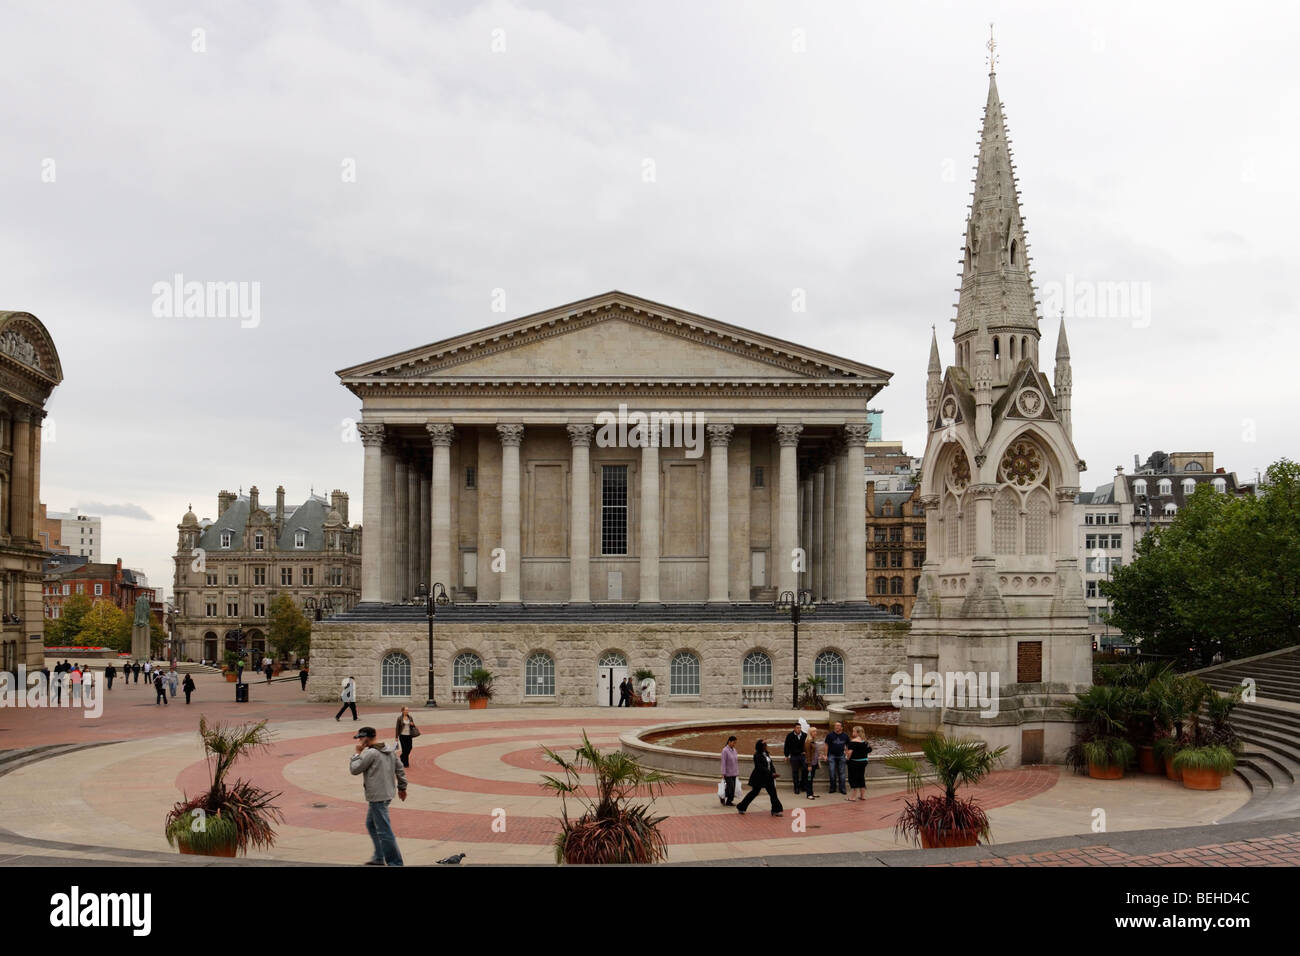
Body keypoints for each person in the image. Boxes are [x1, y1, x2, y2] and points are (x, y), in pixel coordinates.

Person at [349, 726, 407, 866]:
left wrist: (357, 754)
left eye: (361, 738)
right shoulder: (389, 749)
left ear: (367, 738)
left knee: (384, 831)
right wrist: (402, 787)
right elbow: (399, 769)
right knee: (371, 824)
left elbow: (355, 769)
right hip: (386, 793)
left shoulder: (371, 753)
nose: (360, 741)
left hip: (377, 796)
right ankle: (379, 857)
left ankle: (395, 863)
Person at [736, 739, 783, 816]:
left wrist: (773, 772)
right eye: (764, 745)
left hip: (768, 777)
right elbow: (760, 767)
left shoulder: (766, 754)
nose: (766, 746)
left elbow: (770, 764)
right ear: (761, 746)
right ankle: (741, 807)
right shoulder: (757, 755)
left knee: (773, 793)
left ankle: (776, 810)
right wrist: (771, 774)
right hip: (759, 777)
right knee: (754, 793)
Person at [845, 725, 872, 801]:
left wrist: (847, 758)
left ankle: (853, 797)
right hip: (863, 762)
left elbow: (849, 753)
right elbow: (869, 750)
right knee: (861, 778)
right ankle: (862, 796)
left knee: (853, 778)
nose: (852, 732)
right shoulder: (865, 742)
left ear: (857, 733)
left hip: (854, 762)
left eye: (853, 731)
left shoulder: (853, 742)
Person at [783, 721, 808, 795]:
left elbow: (808, 745)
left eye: (800, 728)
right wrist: (786, 755)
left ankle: (803, 785)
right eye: (797, 728)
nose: (799, 729)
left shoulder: (804, 735)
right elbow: (786, 746)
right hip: (794, 756)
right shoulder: (790, 736)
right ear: (794, 728)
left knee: (805, 769)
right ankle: (796, 787)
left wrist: (806, 752)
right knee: (795, 772)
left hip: (802, 755)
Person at [825, 721, 849, 795]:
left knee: (842, 773)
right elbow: (826, 745)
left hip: (841, 755)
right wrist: (825, 755)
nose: (836, 727)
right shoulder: (830, 735)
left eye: (838, 726)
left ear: (842, 727)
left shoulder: (845, 735)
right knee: (832, 772)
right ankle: (832, 788)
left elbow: (848, 745)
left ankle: (842, 789)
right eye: (835, 726)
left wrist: (847, 754)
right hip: (831, 755)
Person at [803, 727, 824, 799]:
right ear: (810, 733)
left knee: (811, 779)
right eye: (814, 732)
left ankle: (811, 793)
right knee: (809, 779)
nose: (816, 733)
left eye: (816, 731)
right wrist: (809, 765)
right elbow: (808, 754)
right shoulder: (808, 742)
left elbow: (814, 752)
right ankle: (809, 794)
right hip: (810, 764)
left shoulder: (813, 741)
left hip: (814, 763)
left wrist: (820, 755)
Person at [719, 735, 740, 806]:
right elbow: (723, 762)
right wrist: (723, 773)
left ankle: (728, 801)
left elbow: (735, 762)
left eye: (735, 743)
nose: (734, 744)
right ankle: (724, 798)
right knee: (730, 788)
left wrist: (737, 772)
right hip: (727, 773)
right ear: (729, 742)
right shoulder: (725, 750)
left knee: (732, 788)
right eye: (733, 742)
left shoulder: (734, 750)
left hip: (734, 772)